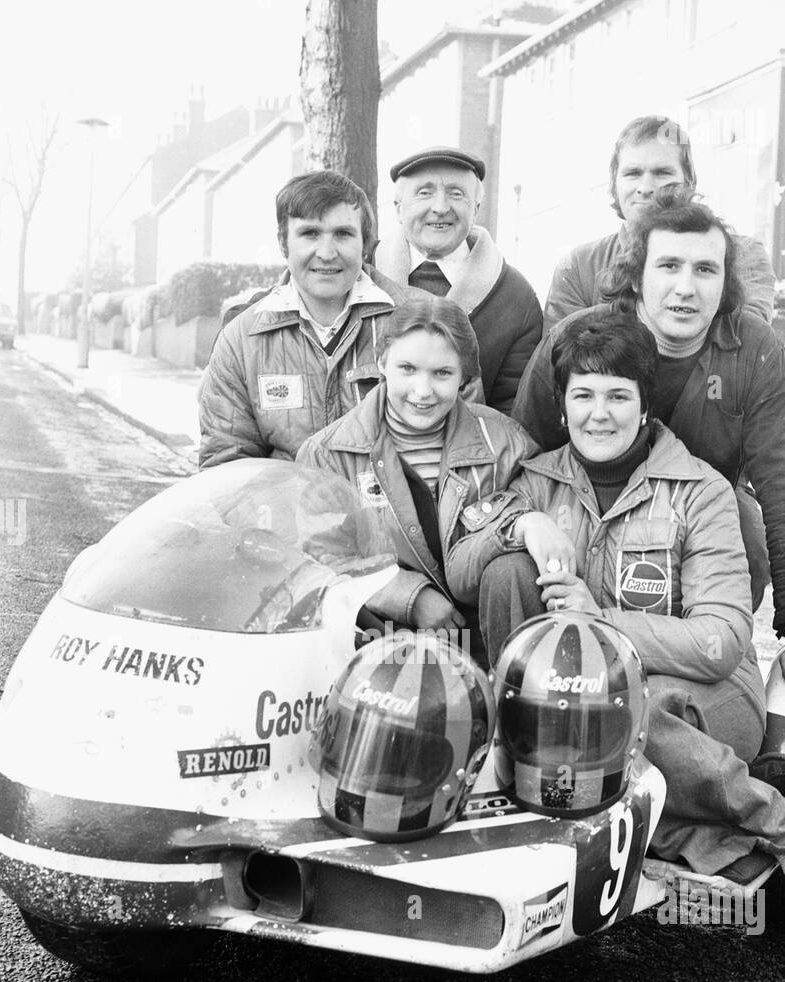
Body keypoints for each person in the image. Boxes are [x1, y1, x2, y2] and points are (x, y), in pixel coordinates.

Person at [447, 313, 785, 960]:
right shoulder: (534, 480)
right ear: (563, 402)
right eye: (582, 394)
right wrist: (521, 530)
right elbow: (464, 571)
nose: (597, 414)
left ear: (644, 403)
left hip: (703, 694)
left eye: (615, 395)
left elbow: (717, 641)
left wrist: (598, 622)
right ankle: (719, 799)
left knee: (622, 712)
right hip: (576, 701)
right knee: (508, 584)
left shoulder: (700, 491)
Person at [513, 188, 785, 690]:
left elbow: (784, 490)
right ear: (637, 276)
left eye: (705, 270)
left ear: (726, 283)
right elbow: (525, 454)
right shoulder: (579, 339)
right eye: (668, 266)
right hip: (587, 521)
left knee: (747, 521)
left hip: (699, 525)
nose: (685, 288)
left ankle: (701, 671)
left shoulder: (754, 349)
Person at [296, 297, 538, 648]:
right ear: (381, 362)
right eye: (407, 369)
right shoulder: (327, 453)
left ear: (465, 377)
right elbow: (319, 556)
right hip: (385, 638)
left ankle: (510, 688)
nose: (422, 391)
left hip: (486, 634)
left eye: (442, 373)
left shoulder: (506, 442)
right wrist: (409, 596)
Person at [198, 171, 427, 469]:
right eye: (310, 234)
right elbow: (226, 466)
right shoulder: (242, 340)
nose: (327, 253)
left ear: (366, 243)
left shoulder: (423, 319)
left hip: (396, 514)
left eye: (343, 234)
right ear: (283, 243)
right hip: (288, 514)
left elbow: (461, 450)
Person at [543, 114, 775, 331]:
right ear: (614, 184)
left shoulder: (743, 255)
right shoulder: (579, 267)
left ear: (689, 181)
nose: (645, 188)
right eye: (632, 173)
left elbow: (746, 340)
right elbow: (561, 356)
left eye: (662, 173)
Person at [374, 146, 543, 415]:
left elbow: (513, 411)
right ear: (398, 208)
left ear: (475, 208)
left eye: (456, 193)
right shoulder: (361, 272)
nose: (440, 208)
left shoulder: (515, 296)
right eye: (424, 193)